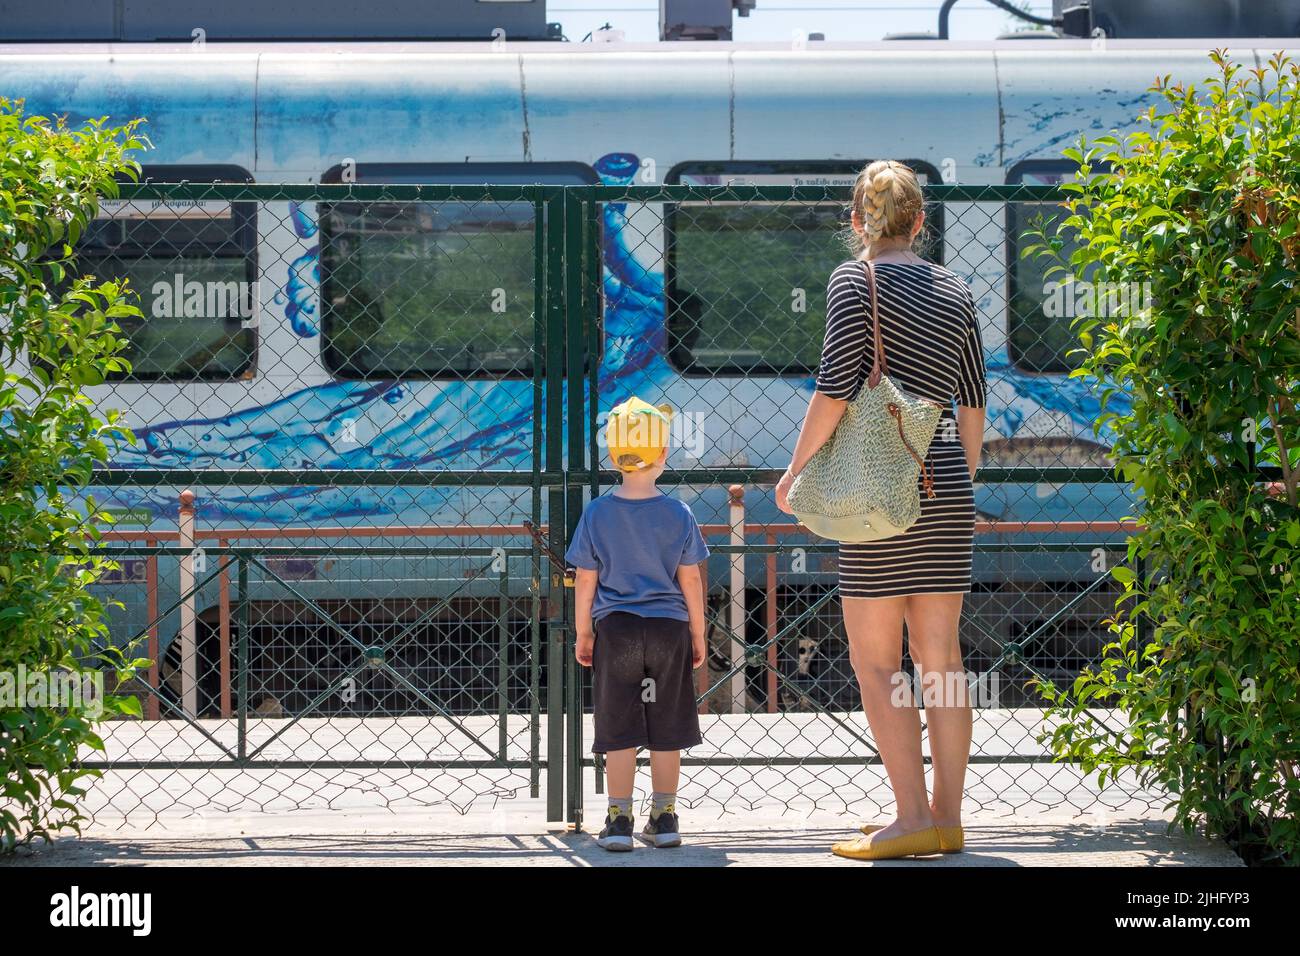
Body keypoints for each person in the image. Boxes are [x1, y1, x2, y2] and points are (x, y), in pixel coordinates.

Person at [776, 160, 988, 861]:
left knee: (877, 664)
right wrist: (955, 482)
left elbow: (836, 388)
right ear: (920, 222)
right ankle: (947, 819)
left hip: (877, 495)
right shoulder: (956, 289)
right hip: (944, 485)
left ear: (859, 221)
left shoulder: (852, 280)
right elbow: (973, 401)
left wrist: (796, 471)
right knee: (943, 660)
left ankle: (909, 818)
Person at [566, 396, 709, 851]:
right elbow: (691, 579)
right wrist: (698, 631)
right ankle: (665, 818)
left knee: (619, 723)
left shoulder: (597, 513)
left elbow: (586, 579)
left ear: (611, 456)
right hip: (669, 628)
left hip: (618, 629)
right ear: (663, 455)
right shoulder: (679, 513)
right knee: (666, 723)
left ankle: (618, 820)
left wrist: (584, 630)